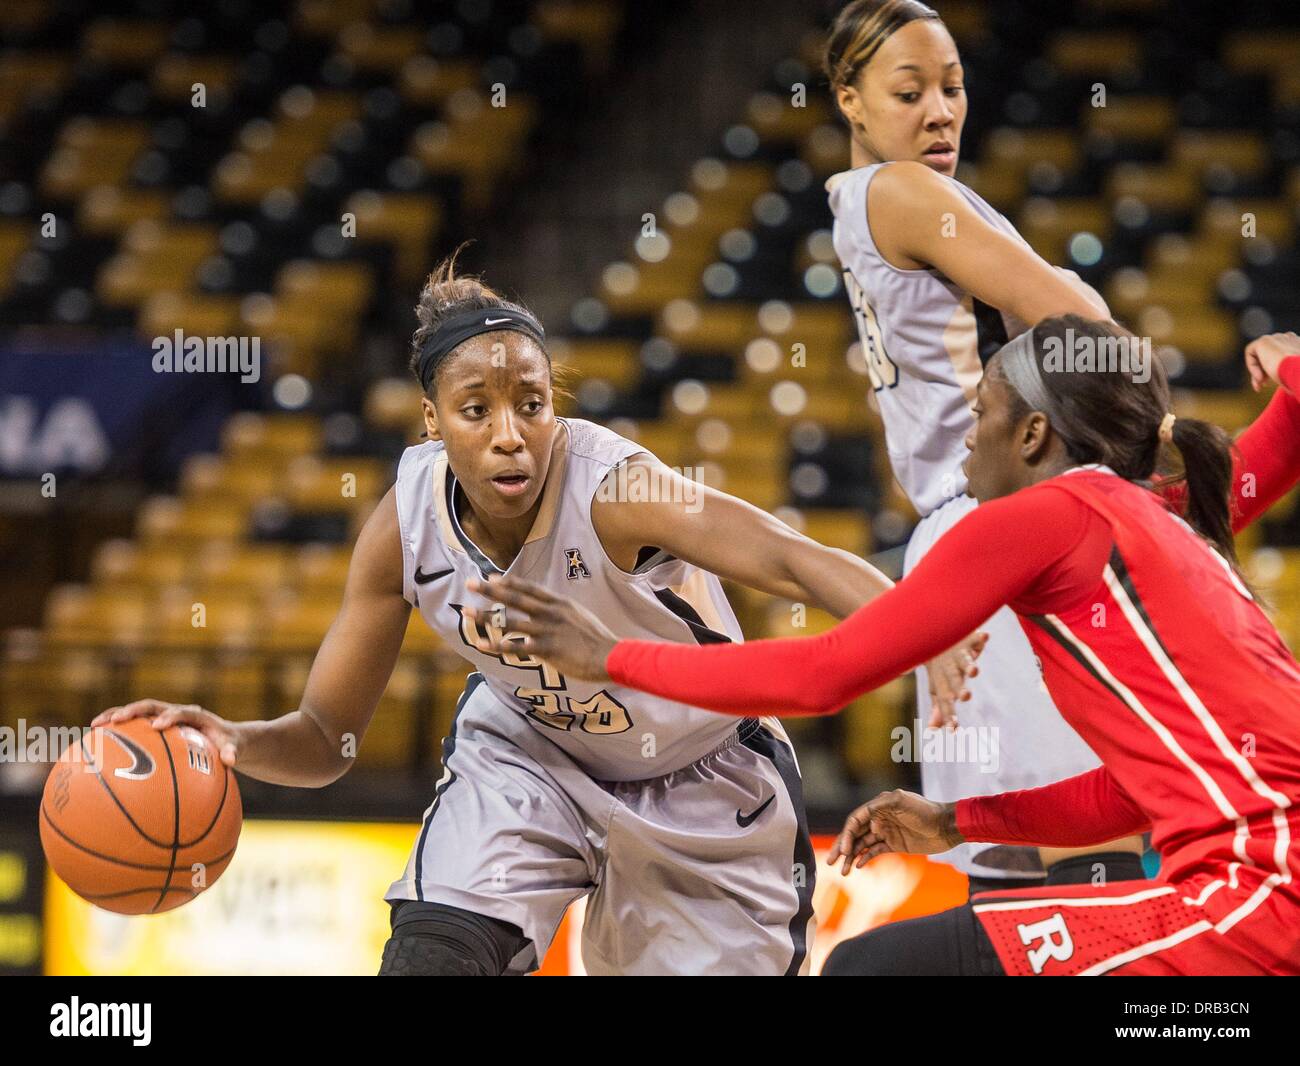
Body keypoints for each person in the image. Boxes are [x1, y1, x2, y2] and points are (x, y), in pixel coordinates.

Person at [91, 253, 982, 976]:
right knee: (431, 962)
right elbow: (329, 737)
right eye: (478, 410)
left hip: (703, 779)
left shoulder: (615, 486)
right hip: (532, 759)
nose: (511, 432)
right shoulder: (401, 526)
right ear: (433, 421)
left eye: (532, 404)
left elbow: (794, 558)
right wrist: (237, 742)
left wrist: (924, 632)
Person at [468, 316, 1300, 974]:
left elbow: (824, 673)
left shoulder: (1046, 516)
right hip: (1263, 895)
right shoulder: (1150, 523)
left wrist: (606, 656)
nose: (967, 437)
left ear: (1035, 436)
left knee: (877, 968)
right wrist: (955, 820)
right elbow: (1128, 793)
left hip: (1257, 901)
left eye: (981, 413)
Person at [821, 0, 1141, 890]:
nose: (940, 111)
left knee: (1002, 863)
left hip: (959, 540)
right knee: (1079, 855)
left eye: (954, 88)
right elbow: (1088, 331)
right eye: (909, 90)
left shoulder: (861, 201)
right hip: (1005, 526)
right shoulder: (903, 191)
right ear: (850, 99)